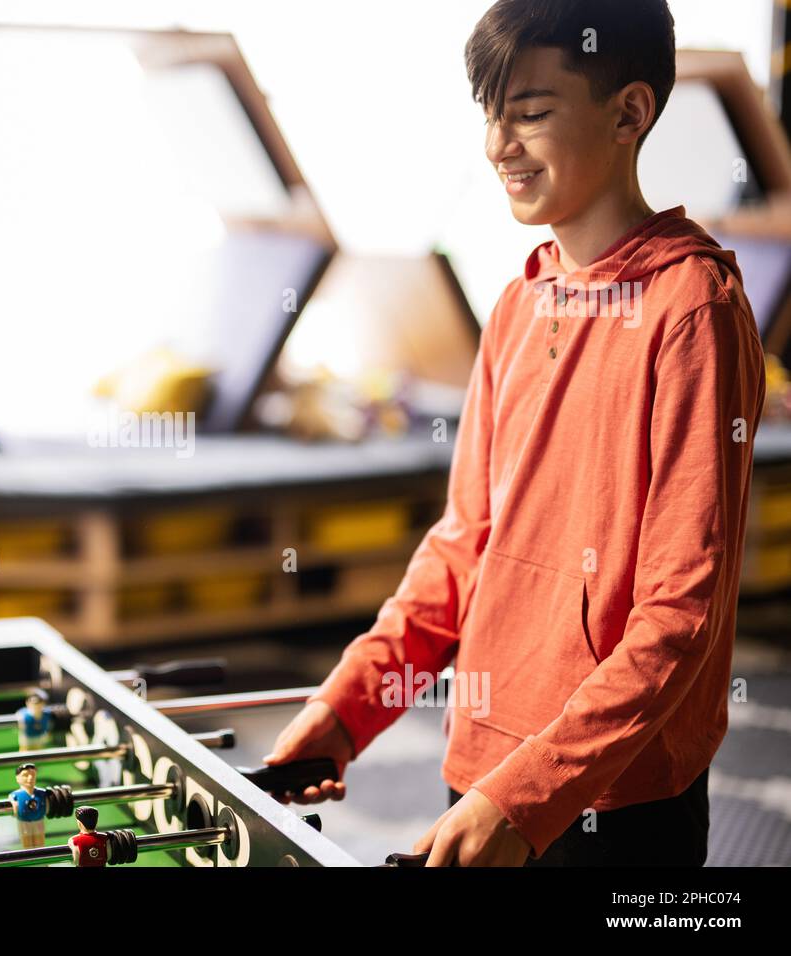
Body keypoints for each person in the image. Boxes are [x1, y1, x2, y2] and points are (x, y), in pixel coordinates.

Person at [266, 0, 765, 868]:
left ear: (629, 112)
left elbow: (679, 613)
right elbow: (462, 548)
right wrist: (349, 707)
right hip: (485, 766)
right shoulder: (517, 304)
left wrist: (527, 797)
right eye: (490, 114)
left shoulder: (694, 309)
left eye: (530, 112)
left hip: (612, 797)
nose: (499, 144)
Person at [8, 763, 48, 848]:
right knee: (27, 845)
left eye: (33, 774)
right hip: (24, 823)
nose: (30, 778)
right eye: (25, 775)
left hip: (39, 822)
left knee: (40, 844)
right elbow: (11, 804)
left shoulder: (42, 793)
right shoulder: (15, 795)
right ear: (17, 778)